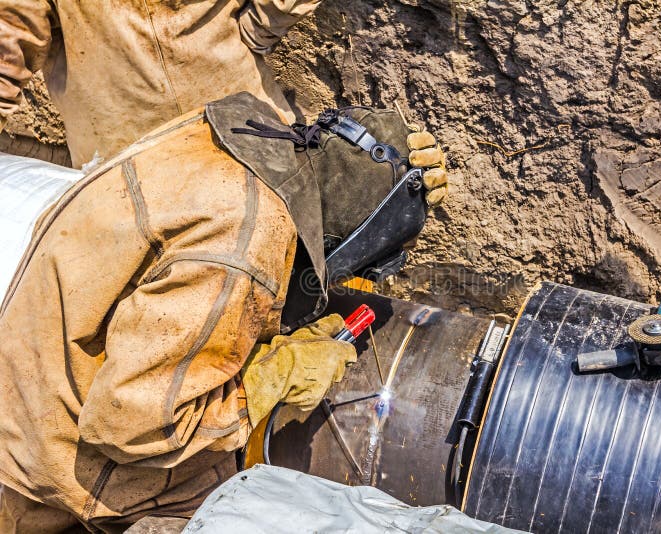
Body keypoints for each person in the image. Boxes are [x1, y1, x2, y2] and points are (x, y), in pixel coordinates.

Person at [0, 91, 448, 533]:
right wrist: (272, 377)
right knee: (243, 504)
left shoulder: (236, 134)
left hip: (34, 365)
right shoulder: (243, 241)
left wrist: (399, 158)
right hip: (51, 449)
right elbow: (129, 425)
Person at [0, 1, 320, 167]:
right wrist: (257, 29)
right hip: (240, 125)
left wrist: (257, 29)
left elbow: (10, 37)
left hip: (122, 156)